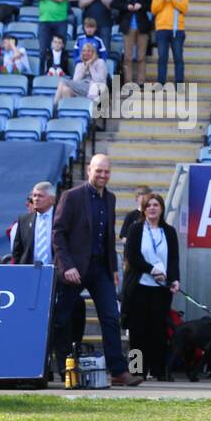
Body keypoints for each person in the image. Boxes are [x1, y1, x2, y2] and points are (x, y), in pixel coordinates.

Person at [51, 154, 144, 386]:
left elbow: (109, 237)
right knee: (61, 319)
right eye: (98, 171)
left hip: (101, 268)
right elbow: (58, 234)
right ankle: (61, 366)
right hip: (74, 268)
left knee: (111, 318)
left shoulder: (110, 198)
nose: (103, 175)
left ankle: (118, 371)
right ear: (89, 171)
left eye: (106, 172)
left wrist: (113, 268)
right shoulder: (70, 197)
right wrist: (67, 266)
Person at [123, 192, 179, 380]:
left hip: (161, 289)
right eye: (148, 206)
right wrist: (151, 269)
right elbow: (132, 256)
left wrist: (174, 279)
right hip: (139, 287)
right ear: (144, 209)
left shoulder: (169, 231)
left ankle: (158, 370)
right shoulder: (136, 229)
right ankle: (136, 370)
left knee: (159, 331)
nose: (152, 208)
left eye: (156, 205)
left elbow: (173, 259)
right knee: (137, 332)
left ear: (161, 208)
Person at [115, 0, 154, 83]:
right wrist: (127, 6)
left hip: (142, 27)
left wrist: (141, 6)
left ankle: (141, 82)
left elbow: (152, 7)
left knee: (141, 57)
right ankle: (128, 82)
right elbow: (114, 3)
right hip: (128, 28)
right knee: (128, 57)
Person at [151, 0, 189, 84]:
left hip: (177, 30)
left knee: (178, 58)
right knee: (162, 58)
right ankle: (161, 83)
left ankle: (179, 84)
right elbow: (154, 10)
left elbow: (184, 8)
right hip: (162, 30)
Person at [34, 0, 71, 65]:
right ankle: (41, 75)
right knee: (43, 51)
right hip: (44, 21)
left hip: (60, 21)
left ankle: (60, 73)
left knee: (60, 50)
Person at [13, 181, 57, 266]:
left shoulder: (61, 218)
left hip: (56, 272)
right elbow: (17, 250)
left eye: (40, 196)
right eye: (34, 195)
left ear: (52, 199)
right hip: (29, 272)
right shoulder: (24, 220)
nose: (36, 199)